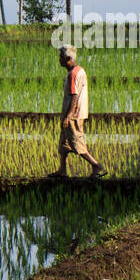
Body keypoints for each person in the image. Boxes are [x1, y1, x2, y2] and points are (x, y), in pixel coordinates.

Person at [51, 45, 107, 179]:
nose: (59, 60)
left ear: (68, 58)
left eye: (61, 58)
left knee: (77, 143)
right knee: (64, 143)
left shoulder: (73, 74)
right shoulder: (79, 70)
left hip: (73, 115)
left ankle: (96, 165)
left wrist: (68, 117)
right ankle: (62, 170)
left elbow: (74, 96)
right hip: (73, 114)